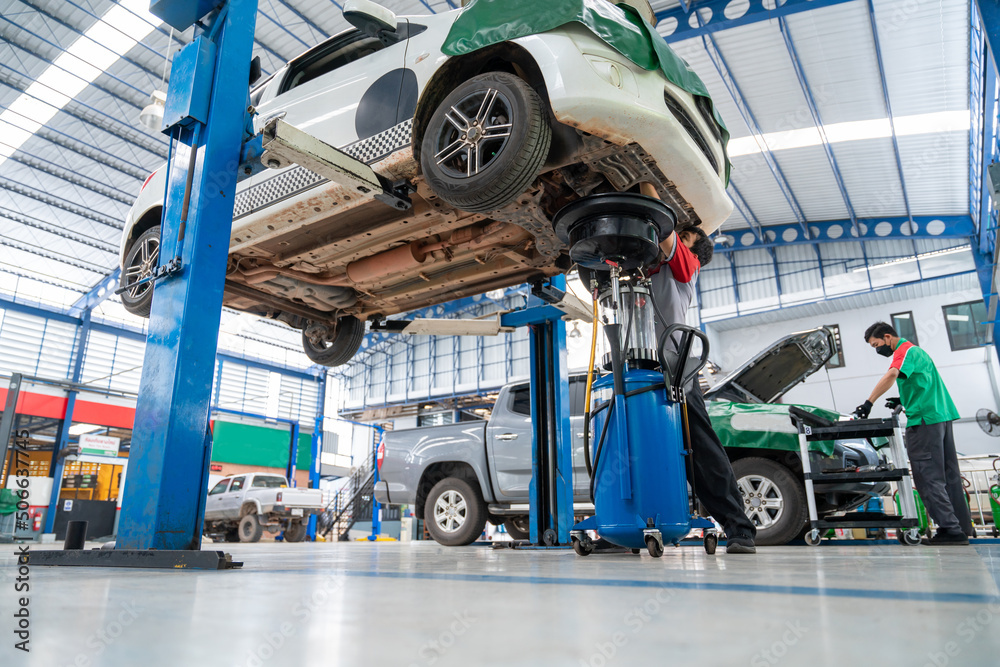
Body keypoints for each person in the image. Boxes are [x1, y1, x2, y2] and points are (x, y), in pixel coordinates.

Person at [642, 184, 757, 554]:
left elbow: (661, 225)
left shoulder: (687, 267)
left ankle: (740, 528)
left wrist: (645, 175)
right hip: (638, 364)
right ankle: (630, 523)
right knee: (635, 442)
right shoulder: (644, 267)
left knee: (701, 450)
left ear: (691, 248)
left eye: (684, 234)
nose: (678, 233)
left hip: (675, 366)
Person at [855, 321, 973, 545]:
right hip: (941, 417)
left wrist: (868, 403)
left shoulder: (904, 351)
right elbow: (923, 384)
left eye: (876, 344)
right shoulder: (918, 353)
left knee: (928, 476)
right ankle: (960, 528)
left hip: (924, 421)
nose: (877, 349)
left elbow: (891, 375)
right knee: (949, 476)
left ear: (888, 337)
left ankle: (950, 530)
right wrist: (903, 400)